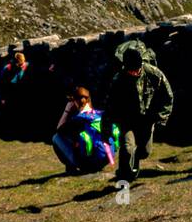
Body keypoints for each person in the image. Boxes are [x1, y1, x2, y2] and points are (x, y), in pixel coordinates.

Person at [107, 41, 174, 183]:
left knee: (145, 152)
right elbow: (110, 106)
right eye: (130, 70)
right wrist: (106, 128)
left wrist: (162, 117)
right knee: (127, 148)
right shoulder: (118, 80)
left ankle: (135, 160)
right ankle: (124, 177)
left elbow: (167, 96)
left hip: (147, 119)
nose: (134, 73)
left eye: (136, 70)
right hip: (126, 120)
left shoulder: (153, 73)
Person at [52, 86, 117, 175]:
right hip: (106, 160)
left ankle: (71, 167)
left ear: (74, 102)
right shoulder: (100, 114)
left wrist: (67, 110)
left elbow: (59, 129)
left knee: (56, 138)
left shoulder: (78, 119)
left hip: (88, 165)